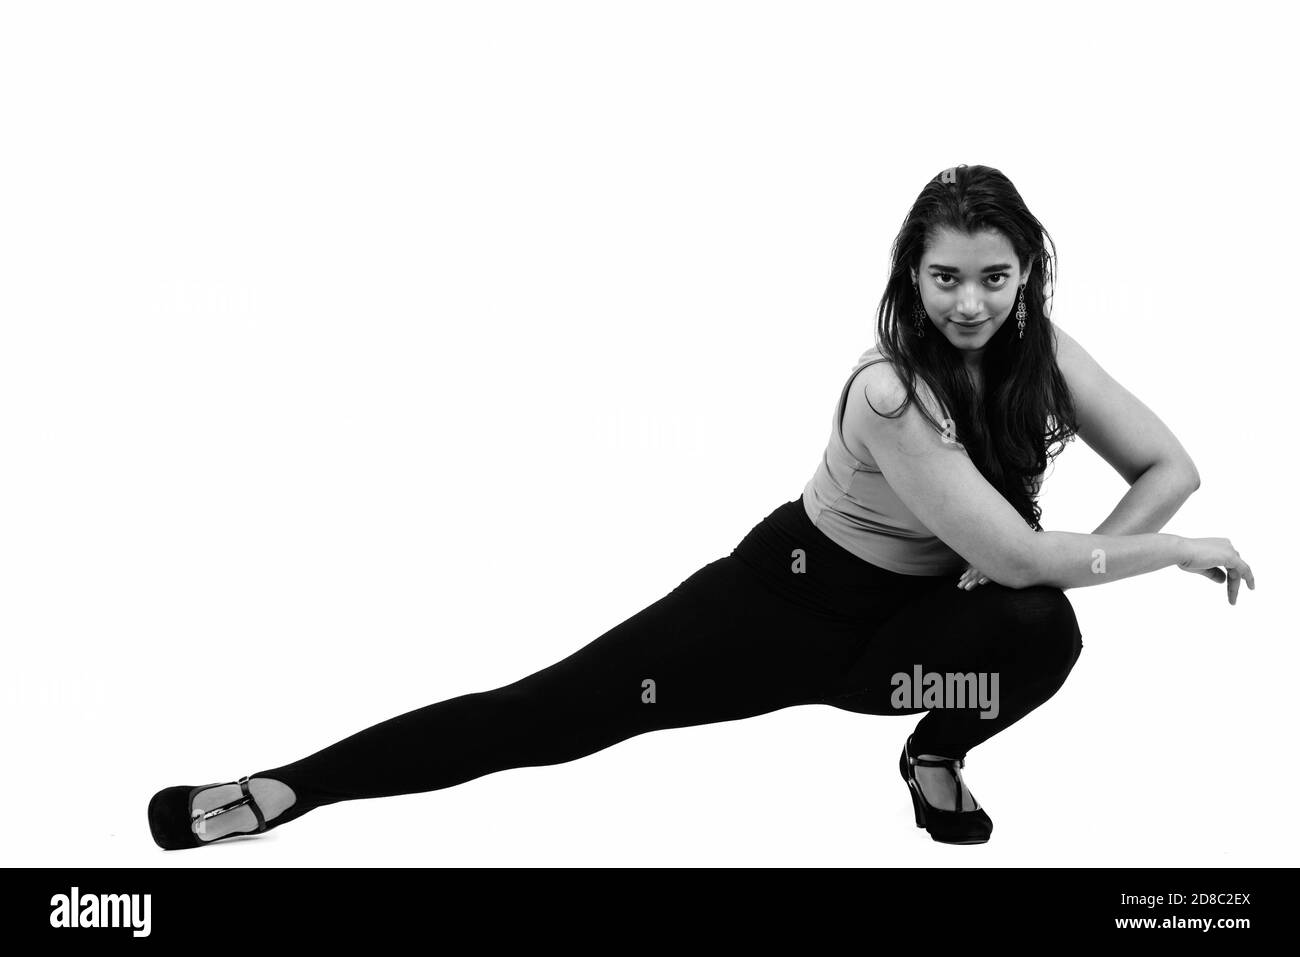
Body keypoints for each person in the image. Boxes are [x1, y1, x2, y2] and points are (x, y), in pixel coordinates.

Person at [148, 163, 1254, 850]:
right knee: (541, 717)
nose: (970, 303)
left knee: (1037, 632)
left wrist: (1073, 558)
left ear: (1028, 276)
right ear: (909, 278)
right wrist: (1154, 554)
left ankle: (932, 751)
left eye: (994, 278)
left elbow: (1165, 466)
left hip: (908, 657)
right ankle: (291, 787)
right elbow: (1043, 547)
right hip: (783, 616)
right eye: (944, 278)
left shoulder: (1043, 351)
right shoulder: (889, 391)